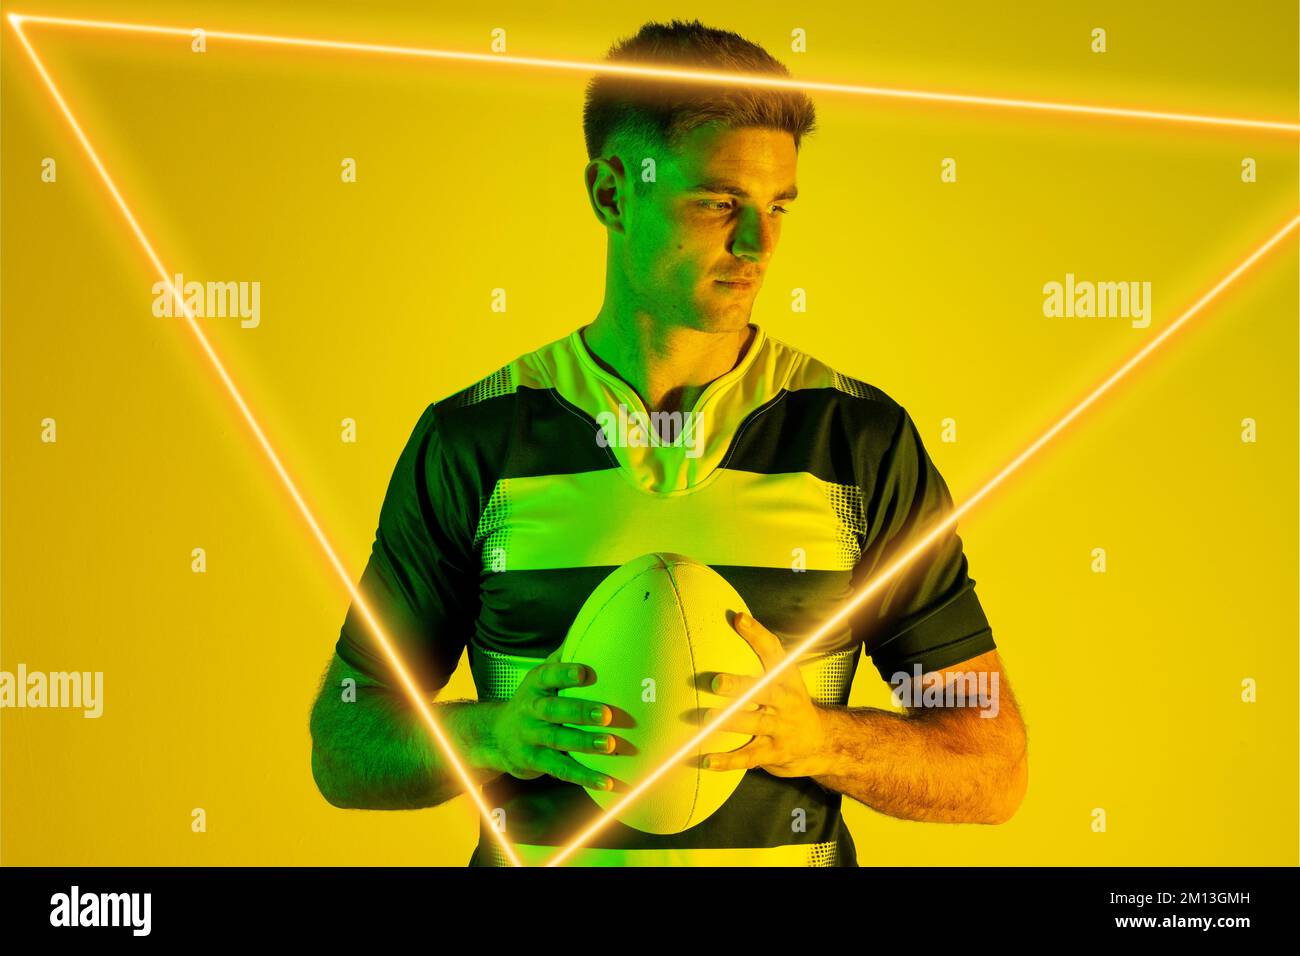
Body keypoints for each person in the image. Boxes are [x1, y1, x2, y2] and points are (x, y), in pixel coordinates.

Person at [309, 17, 1027, 866]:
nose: (758, 245)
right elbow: (346, 742)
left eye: (778, 207)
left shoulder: (858, 442)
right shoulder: (476, 439)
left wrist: (817, 741)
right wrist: (497, 734)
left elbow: (993, 765)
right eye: (720, 202)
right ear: (612, 192)